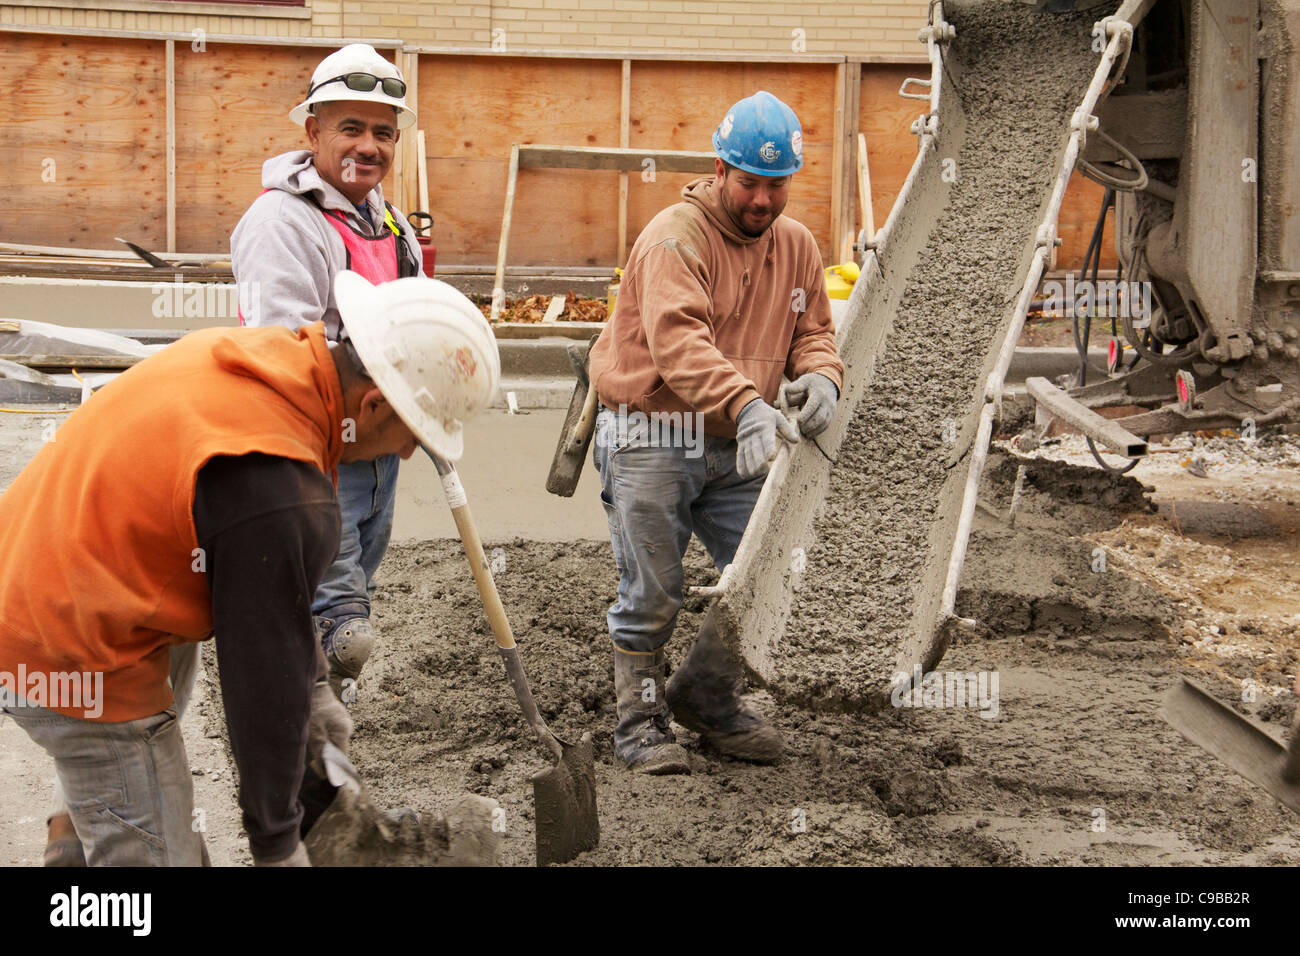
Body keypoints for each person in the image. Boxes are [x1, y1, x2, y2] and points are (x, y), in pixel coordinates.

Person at [0, 272, 500, 865]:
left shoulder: (279, 363)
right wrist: (277, 843)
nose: (408, 453)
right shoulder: (277, 481)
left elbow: (269, 601)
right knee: (155, 855)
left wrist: (312, 690)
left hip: (63, 564)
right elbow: (256, 684)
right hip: (65, 641)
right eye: (412, 432)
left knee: (145, 758)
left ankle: (71, 838)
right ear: (372, 404)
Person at [587, 91, 845, 775]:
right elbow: (678, 343)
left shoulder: (795, 246)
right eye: (750, 182)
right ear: (720, 170)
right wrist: (747, 403)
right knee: (653, 592)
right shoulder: (679, 236)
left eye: (776, 184)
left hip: (738, 442)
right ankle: (639, 723)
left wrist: (822, 377)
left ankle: (705, 694)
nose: (762, 199)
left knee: (764, 575)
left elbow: (814, 332)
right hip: (654, 431)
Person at [230, 43, 423, 699]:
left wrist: (422, 409)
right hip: (315, 453)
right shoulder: (283, 223)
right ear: (312, 131)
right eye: (351, 128)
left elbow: (416, 326)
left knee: (347, 607)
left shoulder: (391, 224)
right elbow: (280, 351)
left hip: (378, 454)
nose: (369, 146)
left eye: (383, 132)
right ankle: (295, 755)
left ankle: (322, 748)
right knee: (327, 611)